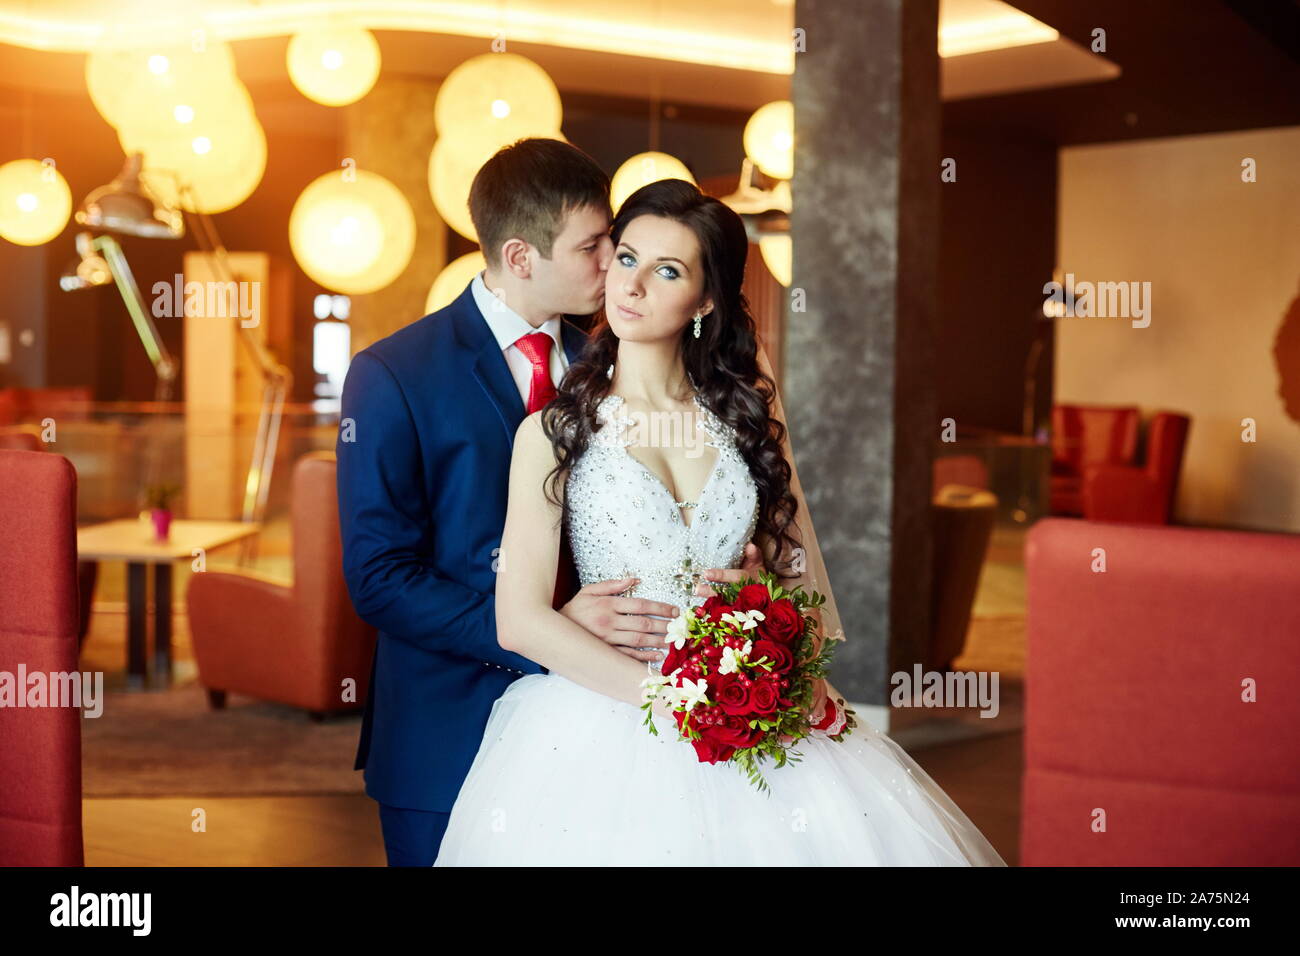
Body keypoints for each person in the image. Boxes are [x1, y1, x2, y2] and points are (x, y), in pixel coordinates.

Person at [432, 177, 1007, 866]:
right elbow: (519, 620)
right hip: (608, 719)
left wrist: (779, 645)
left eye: (666, 270)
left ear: (704, 300)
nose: (633, 285)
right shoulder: (552, 434)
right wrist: (676, 703)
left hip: (751, 712)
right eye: (626, 258)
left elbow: (793, 579)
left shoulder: (744, 422)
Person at [336, 139, 763, 866]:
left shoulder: (609, 357)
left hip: (615, 729)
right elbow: (379, 577)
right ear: (522, 256)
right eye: (597, 248)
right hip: (448, 726)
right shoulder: (392, 375)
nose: (613, 268)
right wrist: (540, 629)